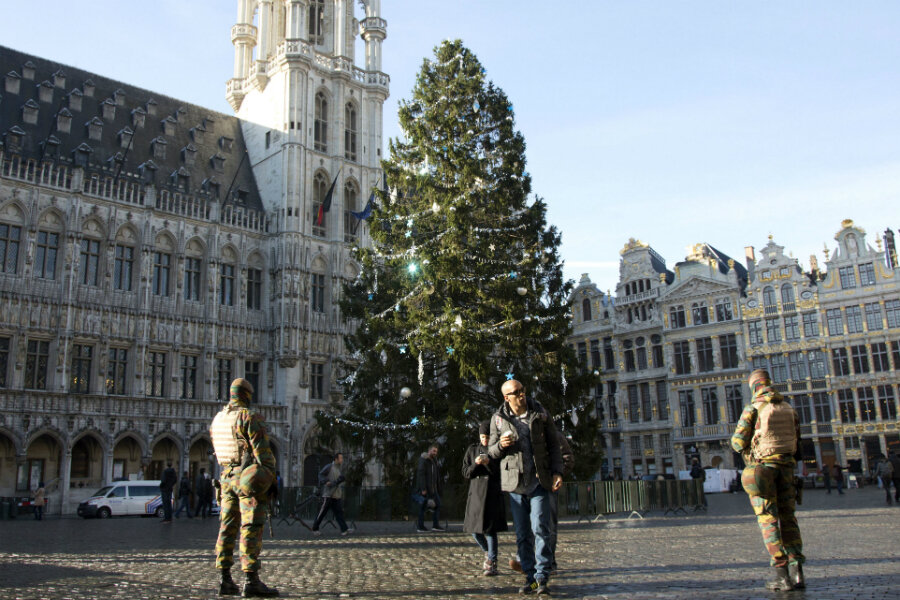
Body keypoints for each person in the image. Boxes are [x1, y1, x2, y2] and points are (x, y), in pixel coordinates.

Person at [731, 369, 805, 592]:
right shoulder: (788, 408)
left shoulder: (753, 408)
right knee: (789, 519)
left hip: (764, 471)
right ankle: (797, 571)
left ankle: (782, 576)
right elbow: (798, 442)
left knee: (768, 520)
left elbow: (737, 442)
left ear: (754, 387)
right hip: (787, 470)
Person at [488, 379, 563, 595]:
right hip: (515, 485)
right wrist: (501, 446)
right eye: (515, 392)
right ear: (506, 397)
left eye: (522, 390)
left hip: (539, 481)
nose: (521, 395)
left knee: (541, 528)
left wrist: (557, 471)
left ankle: (542, 577)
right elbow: (491, 451)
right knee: (522, 534)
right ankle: (530, 577)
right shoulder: (498, 419)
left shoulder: (539, 413)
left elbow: (554, 444)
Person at [210, 378, 279, 597]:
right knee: (250, 526)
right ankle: (251, 579)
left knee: (227, 527)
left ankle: (225, 578)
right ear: (247, 395)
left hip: (226, 478)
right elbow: (264, 456)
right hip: (247, 478)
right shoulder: (249, 417)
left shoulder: (218, 419)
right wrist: (271, 481)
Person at [463, 421, 508, 576]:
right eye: (483, 437)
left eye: (488, 437)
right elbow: (466, 472)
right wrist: (476, 464)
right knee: (474, 530)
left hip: (491, 494)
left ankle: (492, 561)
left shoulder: (496, 450)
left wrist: (488, 463)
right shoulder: (472, 450)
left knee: (490, 530)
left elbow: (501, 472)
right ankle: (489, 553)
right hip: (476, 494)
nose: (485, 440)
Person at [312, 453, 350, 536]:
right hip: (328, 495)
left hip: (336, 495)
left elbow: (337, 481)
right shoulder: (329, 466)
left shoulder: (338, 469)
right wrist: (326, 481)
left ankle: (344, 529)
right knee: (322, 513)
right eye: (341, 458)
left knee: (339, 513)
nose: (342, 460)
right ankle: (315, 528)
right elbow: (320, 474)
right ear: (336, 459)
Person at [415, 444, 445, 532]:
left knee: (438, 505)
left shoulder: (434, 461)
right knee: (423, 507)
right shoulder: (424, 460)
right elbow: (421, 474)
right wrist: (423, 488)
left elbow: (436, 476)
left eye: (436, 451)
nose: (435, 453)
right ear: (429, 451)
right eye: (433, 451)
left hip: (433, 489)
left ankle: (435, 525)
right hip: (426, 489)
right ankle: (420, 526)